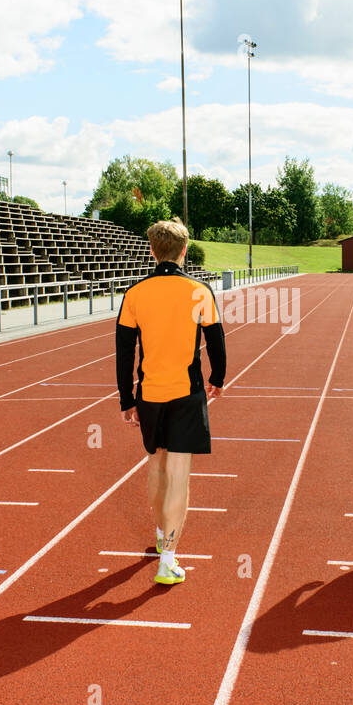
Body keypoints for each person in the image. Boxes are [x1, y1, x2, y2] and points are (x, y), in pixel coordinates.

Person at [116, 219, 226, 585]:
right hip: (186, 392)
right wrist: (217, 380)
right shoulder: (199, 291)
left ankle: (161, 534)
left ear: (151, 251)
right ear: (183, 251)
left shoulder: (135, 294)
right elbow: (217, 341)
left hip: (149, 394)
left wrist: (126, 399)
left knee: (155, 466)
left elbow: (123, 352)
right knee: (180, 475)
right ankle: (169, 558)